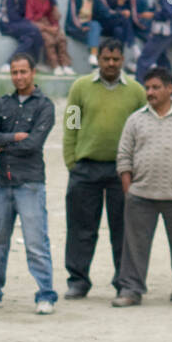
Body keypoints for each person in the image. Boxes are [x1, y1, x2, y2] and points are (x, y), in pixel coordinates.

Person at [63, 38, 146, 300]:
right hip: (85, 168)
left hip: (121, 172)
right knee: (81, 228)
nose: (110, 64)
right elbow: (71, 124)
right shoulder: (80, 87)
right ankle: (78, 280)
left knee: (123, 229)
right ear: (98, 59)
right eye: (106, 59)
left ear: (123, 60)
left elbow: (143, 131)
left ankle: (124, 280)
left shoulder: (136, 91)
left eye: (116, 59)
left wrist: (134, 170)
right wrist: (71, 161)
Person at [113, 66, 172, 308]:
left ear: (170, 89)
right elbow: (124, 156)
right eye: (148, 87)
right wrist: (129, 190)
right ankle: (131, 289)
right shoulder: (135, 119)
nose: (150, 92)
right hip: (140, 196)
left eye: (155, 87)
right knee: (134, 248)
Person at [0, 52, 57, 315]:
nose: (19, 77)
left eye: (23, 71)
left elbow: (35, 143)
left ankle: (46, 293)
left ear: (33, 72)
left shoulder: (45, 105)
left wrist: (5, 142)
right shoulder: (3, 102)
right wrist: (14, 137)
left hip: (30, 182)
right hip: (3, 181)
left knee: (36, 241)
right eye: (14, 72)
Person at [25, 0, 72, 75]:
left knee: (61, 38)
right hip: (38, 25)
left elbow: (52, 15)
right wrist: (47, 28)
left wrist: (55, 25)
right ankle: (55, 66)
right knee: (49, 41)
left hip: (49, 24)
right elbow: (30, 19)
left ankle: (65, 65)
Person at [0, 0, 42, 71]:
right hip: (6, 24)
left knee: (28, 40)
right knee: (34, 30)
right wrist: (28, 23)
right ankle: (9, 65)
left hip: (18, 24)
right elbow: (12, 17)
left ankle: (14, 63)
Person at [65, 0, 110, 69]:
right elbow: (72, 17)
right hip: (75, 28)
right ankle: (94, 57)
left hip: (89, 27)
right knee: (94, 27)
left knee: (95, 26)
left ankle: (94, 57)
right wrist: (80, 27)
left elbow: (107, 12)